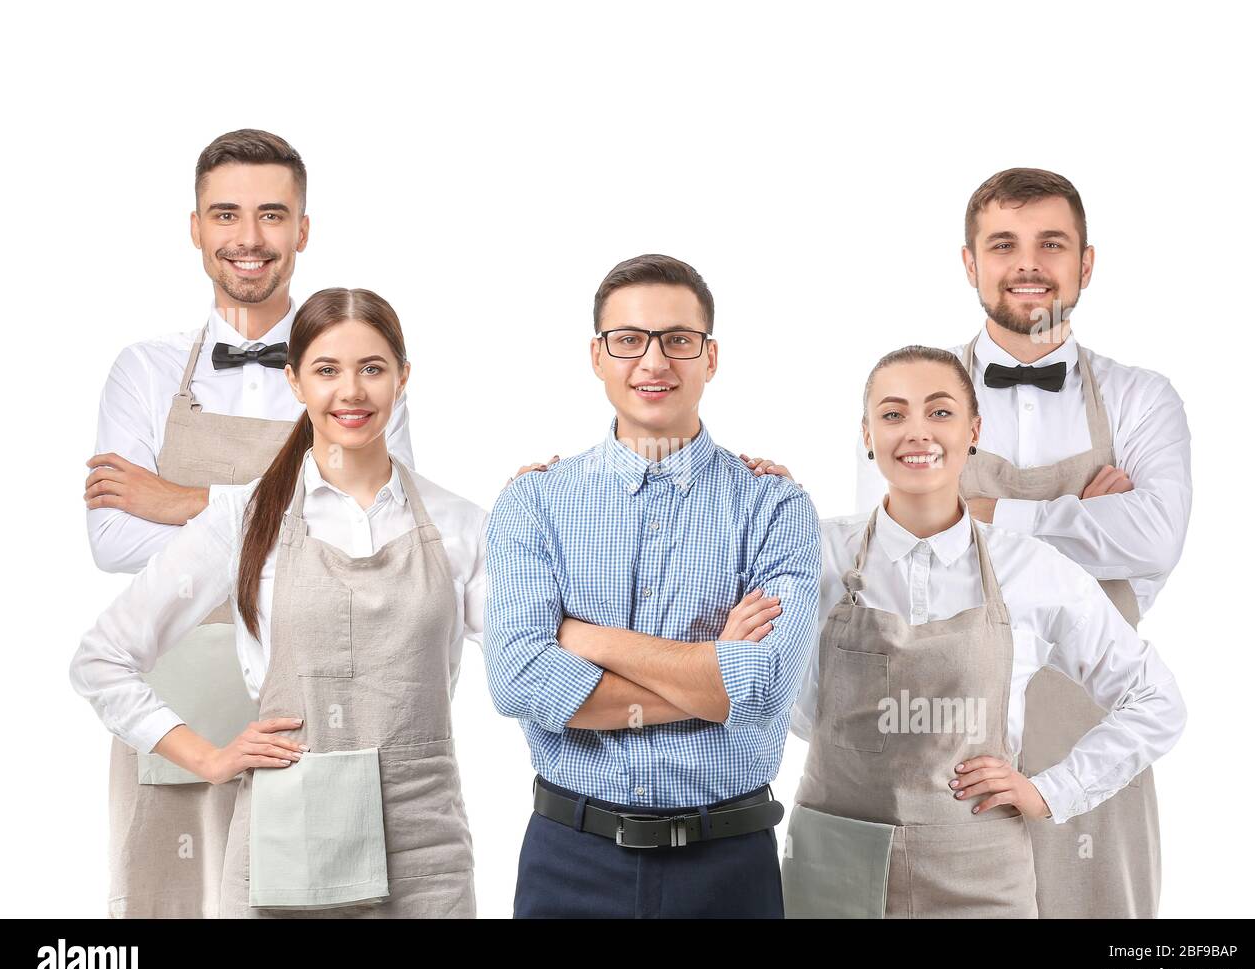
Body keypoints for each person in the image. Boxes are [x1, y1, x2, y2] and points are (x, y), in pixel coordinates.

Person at [81, 129, 414, 918]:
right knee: (169, 903)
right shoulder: (145, 368)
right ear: (195, 227)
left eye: (272, 214)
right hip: (180, 705)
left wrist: (184, 499)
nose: (249, 238)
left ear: (302, 229)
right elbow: (111, 541)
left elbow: (376, 538)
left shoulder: (360, 365)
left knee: (321, 904)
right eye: (225, 214)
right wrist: (291, 513)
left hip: (320, 701)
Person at [72, 288, 478, 918]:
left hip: (426, 848)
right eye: (326, 370)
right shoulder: (242, 518)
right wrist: (208, 757)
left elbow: (530, 657)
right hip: (290, 842)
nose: (351, 392)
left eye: (372, 369)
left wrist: (550, 518)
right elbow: (102, 659)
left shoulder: (461, 526)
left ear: (403, 377)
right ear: (294, 382)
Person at [854, 168, 1192, 917]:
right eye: (1003, 244)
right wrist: (1083, 515)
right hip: (947, 735)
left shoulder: (1143, 398)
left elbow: (1157, 538)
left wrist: (986, 513)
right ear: (970, 263)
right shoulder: (912, 397)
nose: (1028, 264)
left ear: (1086, 263)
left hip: (1101, 725)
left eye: (1052, 243)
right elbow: (890, 569)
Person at [781, 345, 1185, 918]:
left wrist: (1050, 791)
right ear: (866, 435)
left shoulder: (1031, 569)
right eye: (893, 414)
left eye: (939, 412)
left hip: (977, 869)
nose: (917, 432)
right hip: (833, 862)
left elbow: (1157, 699)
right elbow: (783, 703)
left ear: (973, 430)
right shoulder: (814, 552)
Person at [483, 253, 821, 918]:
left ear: (710, 356)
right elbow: (518, 680)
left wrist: (588, 639)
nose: (654, 361)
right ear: (597, 355)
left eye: (678, 340)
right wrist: (712, 674)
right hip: (568, 860)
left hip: (729, 864)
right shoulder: (536, 502)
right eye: (629, 340)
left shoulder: (774, 506)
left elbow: (764, 686)